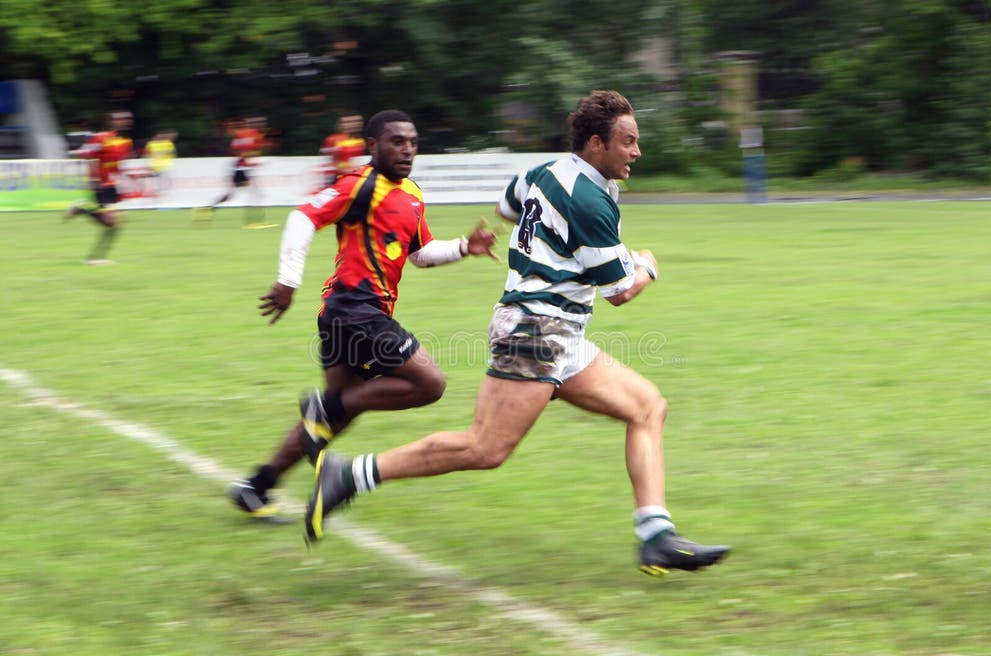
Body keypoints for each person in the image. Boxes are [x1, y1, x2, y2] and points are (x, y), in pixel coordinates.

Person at [303, 91, 731, 577]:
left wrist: (556, 249)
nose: (636, 152)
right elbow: (620, 293)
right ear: (596, 144)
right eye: (628, 143)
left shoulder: (544, 171)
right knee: (485, 448)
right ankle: (349, 475)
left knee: (648, 406)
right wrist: (647, 268)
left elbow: (509, 208)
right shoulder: (591, 198)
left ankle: (657, 537)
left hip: (557, 331)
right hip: (536, 329)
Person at [228, 109, 498, 521]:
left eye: (412, 142)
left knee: (338, 411)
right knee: (430, 383)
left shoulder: (411, 192)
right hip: (356, 309)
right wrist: (287, 281)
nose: (407, 149)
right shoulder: (358, 185)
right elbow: (303, 217)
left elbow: (420, 255)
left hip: (346, 313)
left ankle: (257, 486)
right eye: (396, 141)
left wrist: (465, 246)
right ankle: (320, 410)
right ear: (373, 145)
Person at [64, 110, 134, 265]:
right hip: (102, 184)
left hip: (114, 186)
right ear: (112, 122)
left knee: (113, 225)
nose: (124, 121)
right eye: (119, 119)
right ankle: (95, 256)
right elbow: (87, 154)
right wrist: (92, 178)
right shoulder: (103, 138)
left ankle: (96, 257)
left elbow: (117, 165)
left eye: (126, 119)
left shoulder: (126, 142)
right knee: (111, 223)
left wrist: (124, 181)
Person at [193, 117, 268, 226]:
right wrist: (250, 162)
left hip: (238, 167)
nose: (261, 125)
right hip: (242, 167)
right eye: (259, 123)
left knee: (232, 195)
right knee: (256, 192)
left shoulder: (246, 135)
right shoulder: (253, 136)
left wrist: (248, 161)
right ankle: (254, 221)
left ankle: (205, 210)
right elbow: (243, 152)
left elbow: (235, 148)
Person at [317, 113, 365, 189]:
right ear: (341, 125)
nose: (354, 124)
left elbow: (353, 161)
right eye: (349, 122)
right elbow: (330, 161)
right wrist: (345, 168)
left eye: (357, 121)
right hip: (334, 177)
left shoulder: (359, 141)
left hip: (350, 175)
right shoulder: (332, 140)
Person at [145, 129, 178, 205]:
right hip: (155, 167)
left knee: (165, 185)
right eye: (157, 136)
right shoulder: (151, 144)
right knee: (156, 185)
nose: (158, 137)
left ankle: (165, 201)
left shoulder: (168, 143)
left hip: (165, 167)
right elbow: (147, 155)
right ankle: (156, 201)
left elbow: (173, 155)